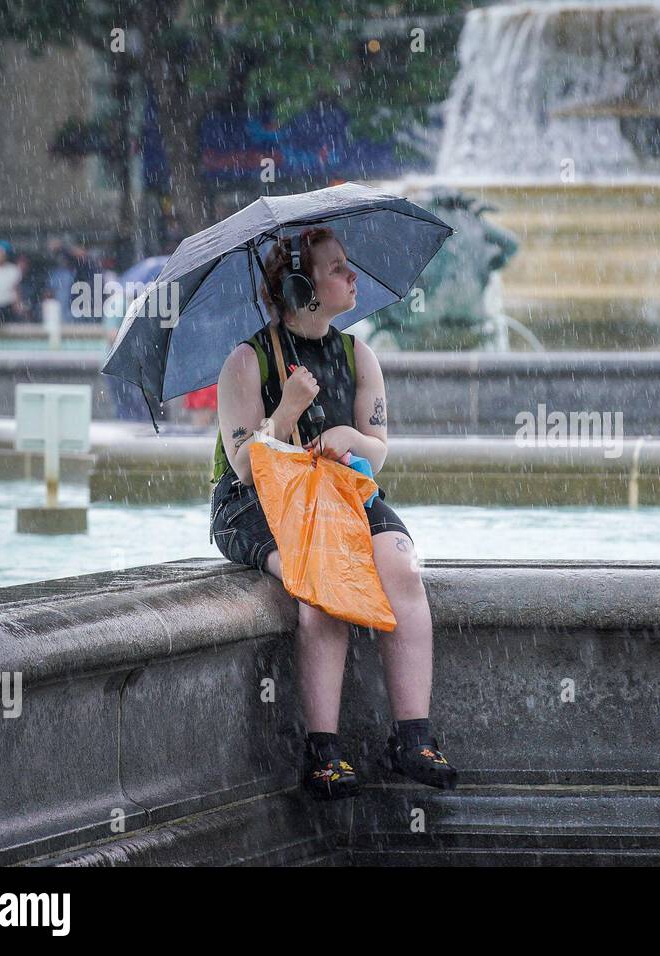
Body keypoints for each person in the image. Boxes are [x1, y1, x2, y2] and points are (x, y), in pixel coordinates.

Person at [209, 225, 457, 799]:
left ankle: (412, 738)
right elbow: (245, 465)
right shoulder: (248, 362)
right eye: (338, 268)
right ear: (303, 287)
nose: (353, 277)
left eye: (349, 266)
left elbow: (379, 446)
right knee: (322, 577)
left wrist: (346, 433)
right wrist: (287, 410)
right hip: (259, 503)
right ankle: (323, 750)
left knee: (400, 566)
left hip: (341, 490)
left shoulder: (358, 354)